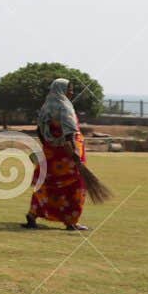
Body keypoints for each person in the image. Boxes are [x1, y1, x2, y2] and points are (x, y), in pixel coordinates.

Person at [26, 78, 89, 231]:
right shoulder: (64, 106)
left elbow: (39, 130)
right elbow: (69, 132)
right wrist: (74, 151)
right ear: (62, 89)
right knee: (76, 185)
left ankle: (33, 214)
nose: (72, 92)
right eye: (70, 89)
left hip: (49, 153)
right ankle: (71, 221)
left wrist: (47, 145)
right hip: (65, 156)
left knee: (45, 185)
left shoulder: (46, 105)